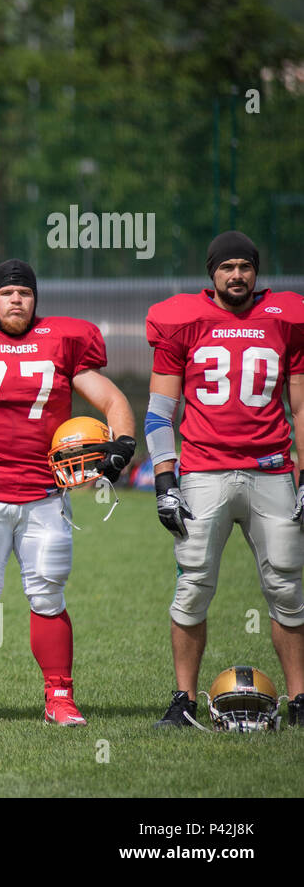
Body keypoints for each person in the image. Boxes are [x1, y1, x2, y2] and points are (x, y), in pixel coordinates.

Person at [0, 260, 135, 726]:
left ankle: (59, 696)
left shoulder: (61, 341)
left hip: (44, 495)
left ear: (36, 300)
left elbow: (114, 400)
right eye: (7, 293)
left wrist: (123, 445)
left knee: (48, 594)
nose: (16, 300)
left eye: (25, 293)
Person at [145, 231, 304, 728]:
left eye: (245, 266)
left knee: (286, 586)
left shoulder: (287, 318)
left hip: (271, 469)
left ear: (256, 272)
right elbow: (158, 413)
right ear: (211, 272)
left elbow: (301, 406)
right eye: (227, 266)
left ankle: (300, 700)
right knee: (192, 585)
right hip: (203, 472)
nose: (237, 275)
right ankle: (183, 701)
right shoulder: (182, 319)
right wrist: (164, 481)